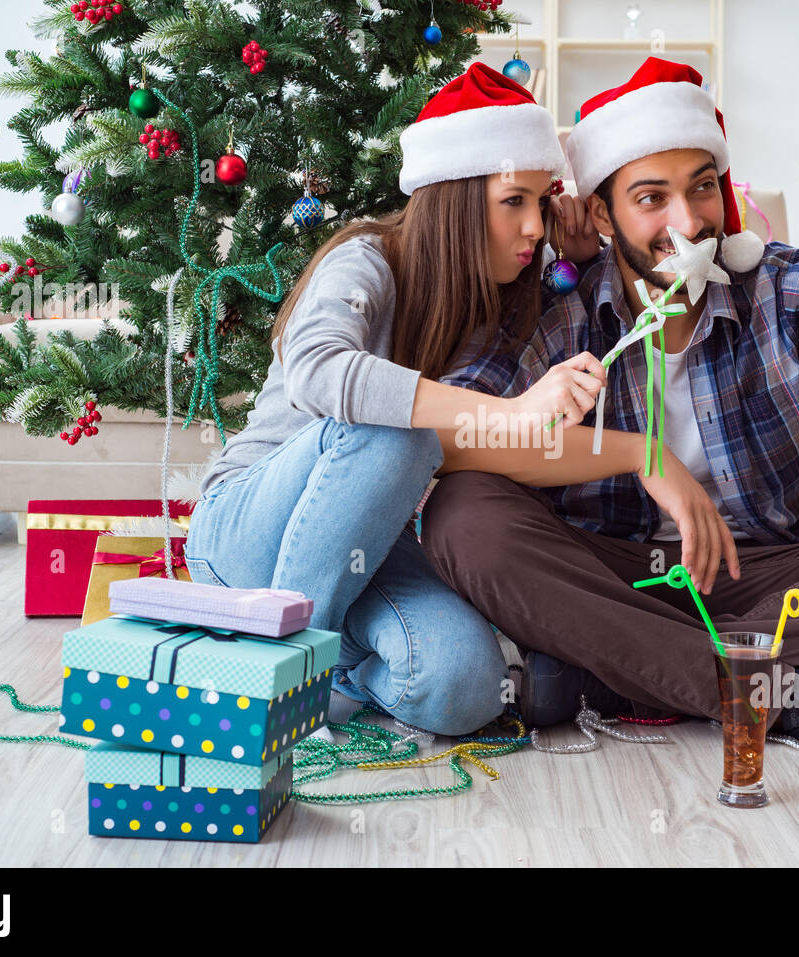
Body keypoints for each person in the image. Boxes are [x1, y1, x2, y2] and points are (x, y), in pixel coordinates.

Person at [421, 57, 799, 744]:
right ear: (604, 216)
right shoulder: (558, 311)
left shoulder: (775, 284)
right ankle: (771, 692)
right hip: (608, 575)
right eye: (650, 198)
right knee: (462, 517)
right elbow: (449, 436)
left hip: (765, 577)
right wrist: (641, 458)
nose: (688, 221)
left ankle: (610, 674)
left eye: (702, 188)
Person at [183, 63, 607, 736]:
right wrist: (511, 413)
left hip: (358, 541)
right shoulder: (366, 259)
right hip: (240, 532)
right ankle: (280, 690)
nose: (532, 227)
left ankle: (329, 660)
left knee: (466, 686)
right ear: (459, 197)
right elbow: (317, 369)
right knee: (400, 433)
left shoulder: (488, 296)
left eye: (541, 201)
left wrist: (580, 262)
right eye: (512, 201)